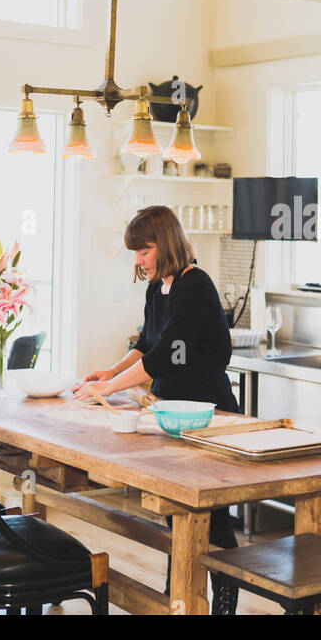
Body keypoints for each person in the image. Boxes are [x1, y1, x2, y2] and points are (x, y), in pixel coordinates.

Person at [73, 204, 240, 612]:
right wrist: (108, 372)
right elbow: (147, 342)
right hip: (172, 411)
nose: (138, 260)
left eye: (143, 251)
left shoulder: (194, 284)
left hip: (208, 413)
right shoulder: (158, 287)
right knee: (176, 512)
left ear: (163, 245)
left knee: (212, 515)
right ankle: (177, 593)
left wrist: (113, 386)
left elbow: (168, 355)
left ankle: (224, 599)